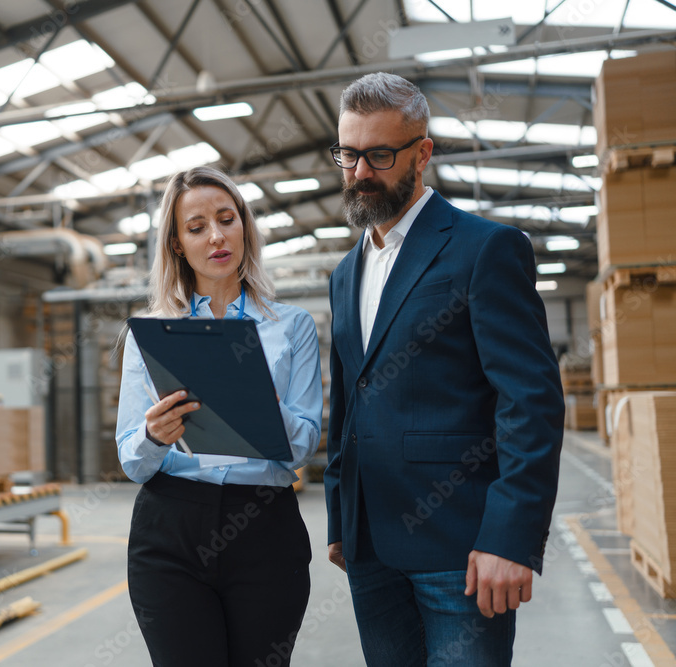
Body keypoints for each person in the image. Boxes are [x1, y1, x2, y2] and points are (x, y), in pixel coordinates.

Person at [323, 72, 565, 666]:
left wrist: (511, 537)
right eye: (348, 154)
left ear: (423, 153)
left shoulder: (484, 249)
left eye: (379, 155)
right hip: (370, 547)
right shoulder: (344, 273)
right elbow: (348, 397)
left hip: (460, 549)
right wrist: (340, 513)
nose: (359, 173)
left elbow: (531, 401)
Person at [116, 166, 322, 667]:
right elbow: (131, 460)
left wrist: (266, 413)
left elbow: (305, 444)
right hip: (171, 528)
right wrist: (153, 435)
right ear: (177, 244)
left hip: (264, 528)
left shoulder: (291, 326)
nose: (216, 236)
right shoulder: (151, 333)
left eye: (227, 219)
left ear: (245, 227)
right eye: (197, 227)